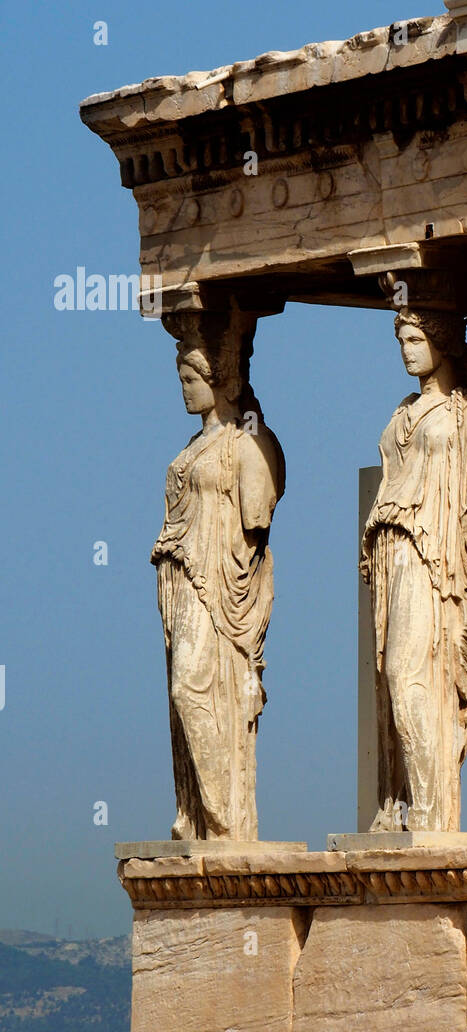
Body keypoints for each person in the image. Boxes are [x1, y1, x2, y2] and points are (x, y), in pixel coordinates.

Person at [361, 308, 467, 832]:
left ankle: (430, 813)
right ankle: (397, 806)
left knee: (411, 673)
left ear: (443, 341)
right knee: (390, 677)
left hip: (438, 561)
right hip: (393, 557)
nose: (406, 348)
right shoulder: (402, 411)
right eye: (401, 339)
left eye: (416, 338)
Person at [152, 311, 284, 841]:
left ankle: (227, 821)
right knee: (180, 695)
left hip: (219, 588)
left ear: (219, 379)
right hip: (181, 584)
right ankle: (202, 820)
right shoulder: (190, 449)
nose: (184, 390)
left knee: (193, 689)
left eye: (192, 379)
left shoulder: (249, 443)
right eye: (182, 379)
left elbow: (257, 516)